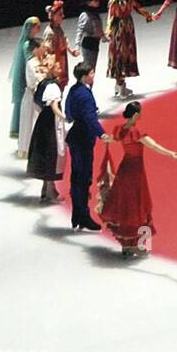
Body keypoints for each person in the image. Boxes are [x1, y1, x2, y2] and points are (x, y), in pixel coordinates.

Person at [100, 102, 177, 258]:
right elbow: (155, 147)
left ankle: (128, 245)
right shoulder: (135, 132)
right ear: (135, 116)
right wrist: (171, 154)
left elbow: (112, 139)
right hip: (135, 173)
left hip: (124, 169)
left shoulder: (122, 130)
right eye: (139, 113)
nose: (141, 115)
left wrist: (106, 138)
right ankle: (134, 246)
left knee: (126, 206)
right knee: (136, 206)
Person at [65, 62, 114, 231]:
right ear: (85, 76)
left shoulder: (73, 90)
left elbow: (69, 113)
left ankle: (77, 214)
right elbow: (90, 118)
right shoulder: (85, 94)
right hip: (83, 137)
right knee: (83, 177)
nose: (94, 75)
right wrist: (102, 134)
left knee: (76, 176)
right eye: (92, 73)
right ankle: (83, 215)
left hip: (75, 135)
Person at [105, 0, 154, 98]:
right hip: (119, 31)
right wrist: (108, 31)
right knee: (120, 55)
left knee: (127, 55)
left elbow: (137, 7)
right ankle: (121, 86)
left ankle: (120, 85)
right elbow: (111, 16)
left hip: (128, 29)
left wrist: (148, 15)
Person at [25, 53, 66, 204]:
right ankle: (49, 191)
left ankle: (48, 190)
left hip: (43, 122)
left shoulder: (42, 84)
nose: (60, 68)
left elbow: (37, 103)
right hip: (51, 125)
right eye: (57, 66)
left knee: (47, 153)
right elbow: (54, 105)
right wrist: (63, 116)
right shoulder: (52, 86)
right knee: (52, 153)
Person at [9, 16, 43, 154]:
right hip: (26, 82)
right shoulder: (26, 45)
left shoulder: (31, 42)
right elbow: (30, 60)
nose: (38, 29)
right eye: (36, 27)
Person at [40, 0, 77, 88]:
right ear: (53, 16)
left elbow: (64, 39)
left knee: (62, 82)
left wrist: (71, 51)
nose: (63, 16)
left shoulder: (58, 28)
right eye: (60, 14)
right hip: (55, 61)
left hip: (61, 58)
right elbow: (46, 50)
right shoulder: (49, 32)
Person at [74, 0, 107, 72]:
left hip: (95, 44)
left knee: (92, 69)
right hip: (88, 44)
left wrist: (104, 37)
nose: (98, 2)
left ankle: (88, 83)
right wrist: (77, 47)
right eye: (95, 0)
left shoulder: (95, 14)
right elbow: (80, 31)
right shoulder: (85, 15)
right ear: (89, 2)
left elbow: (98, 29)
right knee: (88, 70)